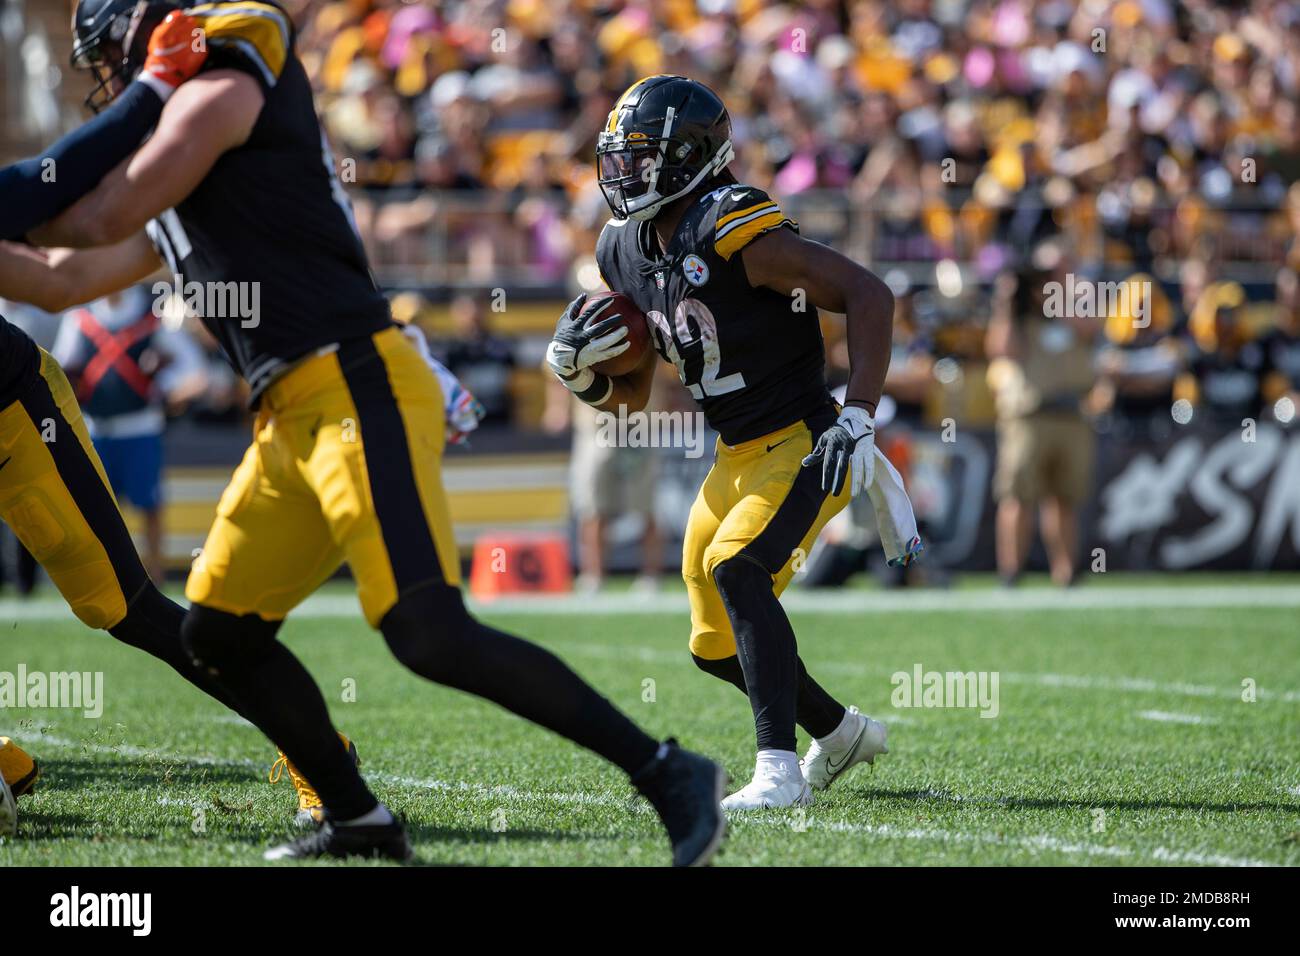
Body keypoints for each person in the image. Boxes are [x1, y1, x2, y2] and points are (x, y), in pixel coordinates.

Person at [0, 0, 724, 865]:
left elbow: (88, 219)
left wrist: (118, 119)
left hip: (354, 382)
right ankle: (356, 817)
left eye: (114, 61)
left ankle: (668, 773)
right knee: (219, 632)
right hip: (291, 413)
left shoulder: (227, 81)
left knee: (428, 633)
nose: (111, 82)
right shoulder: (182, 150)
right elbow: (56, 281)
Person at [546, 75, 903, 810]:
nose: (621, 171)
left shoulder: (731, 222)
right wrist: (579, 377)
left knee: (738, 571)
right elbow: (635, 393)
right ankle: (841, 734)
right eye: (618, 156)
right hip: (735, 454)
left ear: (688, 155)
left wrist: (860, 413)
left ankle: (778, 773)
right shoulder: (623, 247)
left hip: (810, 440)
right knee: (712, 646)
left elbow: (869, 293)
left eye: (640, 155)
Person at [52, 285, 208, 581]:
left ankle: (154, 572)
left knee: (149, 503)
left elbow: (192, 368)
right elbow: (60, 368)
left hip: (141, 426)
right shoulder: (80, 317)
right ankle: (104, 573)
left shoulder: (153, 314)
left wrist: (168, 389)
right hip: (95, 426)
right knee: (98, 506)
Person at [985, 254, 1099, 588]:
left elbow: (1090, 328)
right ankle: (1010, 572)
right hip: (1028, 414)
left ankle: (1065, 573)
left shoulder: (1079, 296)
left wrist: (1058, 295)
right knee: (1018, 496)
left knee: (1064, 498)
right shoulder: (1019, 312)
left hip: (1072, 413)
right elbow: (1002, 350)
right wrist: (1009, 301)